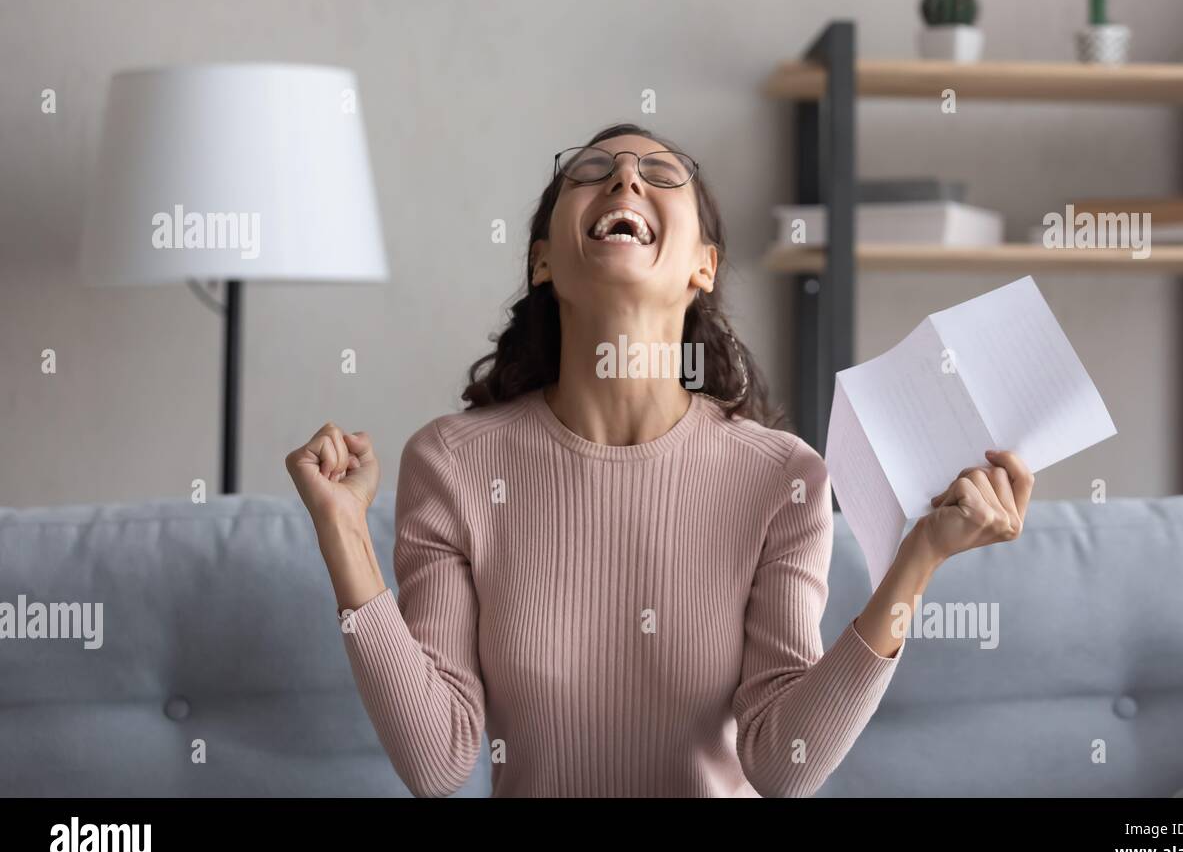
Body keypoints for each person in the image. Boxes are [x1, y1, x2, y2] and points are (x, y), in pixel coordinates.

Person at [285, 122, 1034, 797]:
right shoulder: (452, 463)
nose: (626, 180)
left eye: (660, 173)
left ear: (704, 267)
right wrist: (344, 534)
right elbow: (438, 759)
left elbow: (783, 762)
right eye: (595, 170)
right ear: (543, 261)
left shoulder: (784, 478)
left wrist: (919, 561)